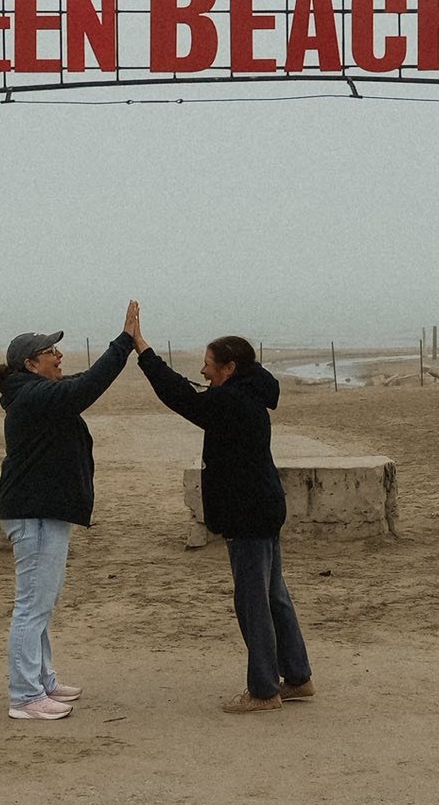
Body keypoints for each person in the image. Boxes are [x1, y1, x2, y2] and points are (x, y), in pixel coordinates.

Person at [127, 304, 314, 714]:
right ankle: (298, 677)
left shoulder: (231, 403)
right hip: (262, 507)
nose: (203, 371)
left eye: (209, 365)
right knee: (273, 595)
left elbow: (181, 396)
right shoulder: (248, 393)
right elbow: (192, 394)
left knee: (254, 601)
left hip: (248, 513)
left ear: (229, 367)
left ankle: (264, 690)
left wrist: (144, 350)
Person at [0, 303, 137, 721]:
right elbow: (85, 387)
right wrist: (123, 342)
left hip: (44, 510)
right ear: (30, 364)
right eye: (50, 352)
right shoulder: (34, 395)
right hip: (34, 513)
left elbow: (80, 383)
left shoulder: (35, 392)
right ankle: (24, 696)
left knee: (43, 600)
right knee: (32, 604)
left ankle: (42, 679)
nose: (59, 355)